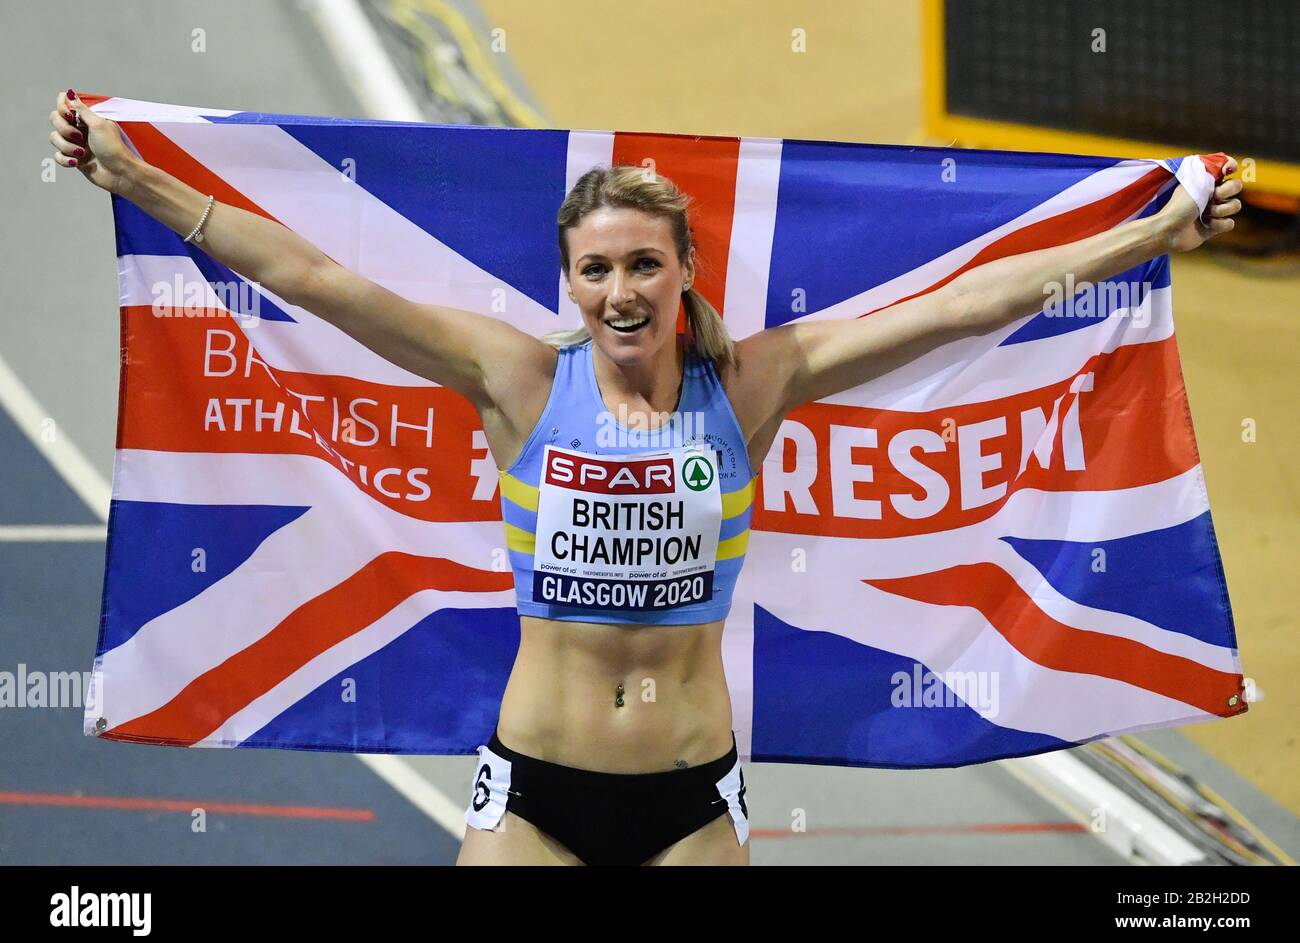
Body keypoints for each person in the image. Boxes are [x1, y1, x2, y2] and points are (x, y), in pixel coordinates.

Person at [49, 89, 1242, 866]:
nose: (619, 290)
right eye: (594, 269)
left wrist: (1150, 230)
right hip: (528, 795)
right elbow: (313, 277)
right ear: (567, 279)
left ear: (682, 270)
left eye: (642, 265)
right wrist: (140, 177)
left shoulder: (758, 382)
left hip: (689, 800)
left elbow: (966, 303)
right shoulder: (512, 375)